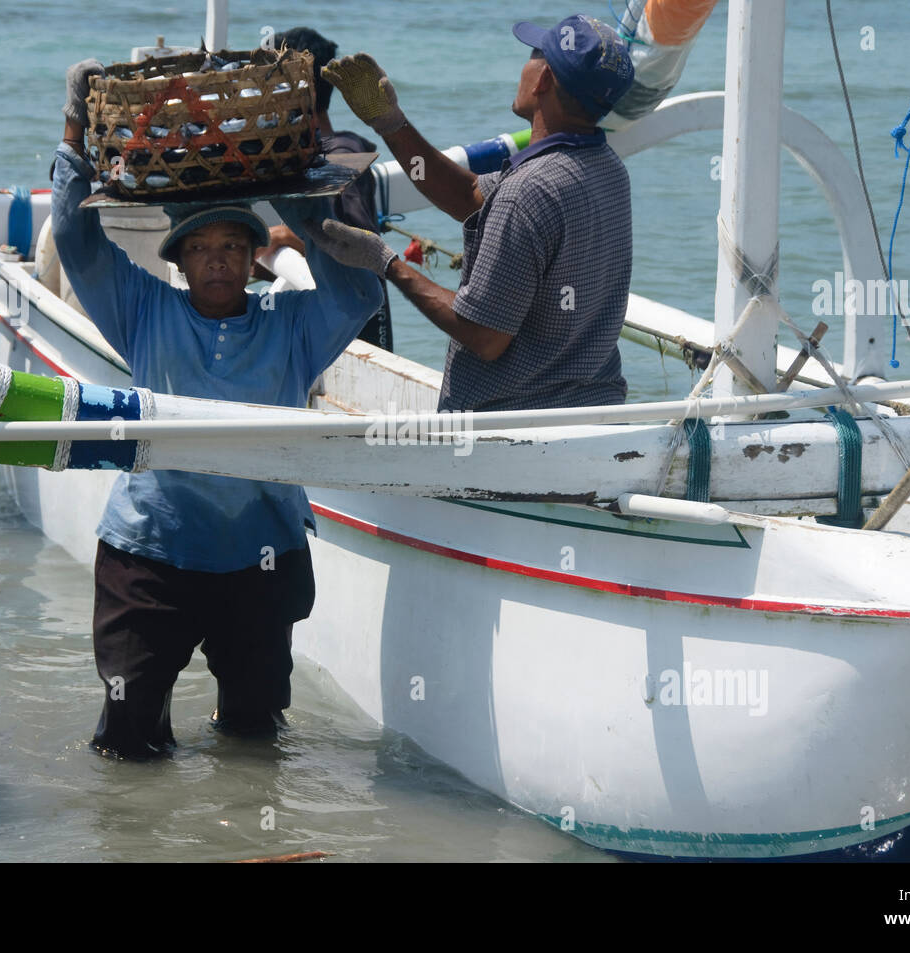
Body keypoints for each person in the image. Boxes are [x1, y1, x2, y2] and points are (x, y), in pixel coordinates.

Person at [55, 61, 388, 755]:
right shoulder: (145, 311)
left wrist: (298, 201)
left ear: (251, 258)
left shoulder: (289, 327)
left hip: (258, 558)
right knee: (128, 739)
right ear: (177, 260)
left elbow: (358, 296)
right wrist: (73, 128)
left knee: (253, 736)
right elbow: (77, 241)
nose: (215, 260)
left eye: (232, 246)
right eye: (200, 248)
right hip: (150, 552)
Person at [320, 16, 637, 412]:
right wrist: (392, 124)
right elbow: (469, 194)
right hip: (590, 417)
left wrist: (386, 263)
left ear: (543, 80)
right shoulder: (607, 168)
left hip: (514, 436)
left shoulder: (528, 191)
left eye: (534, 54)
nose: (524, 65)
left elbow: (485, 337)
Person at [253, 26, 394, 352]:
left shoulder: (342, 162)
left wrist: (286, 239)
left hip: (360, 341)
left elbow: (363, 252)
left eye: (267, 81)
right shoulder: (306, 159)